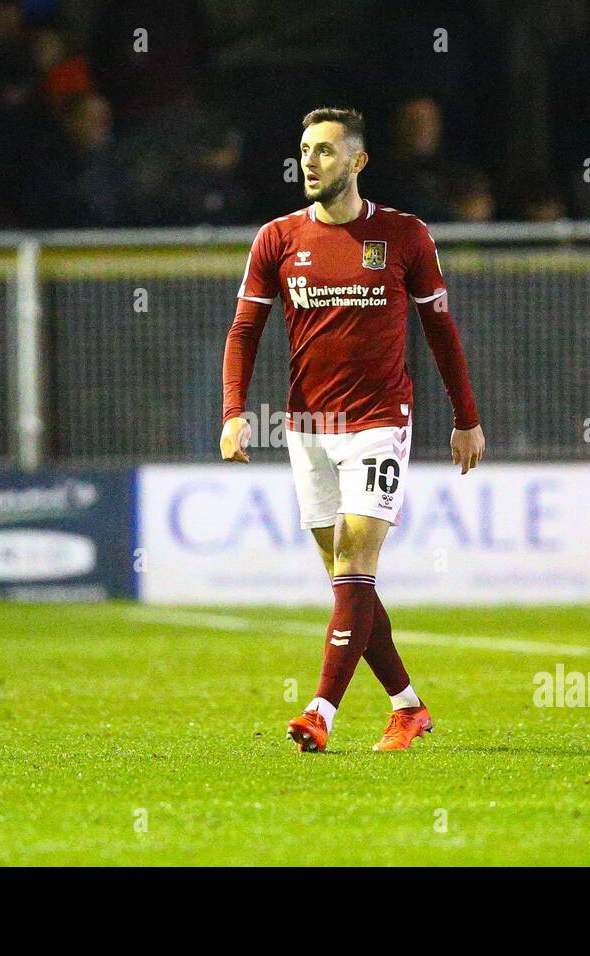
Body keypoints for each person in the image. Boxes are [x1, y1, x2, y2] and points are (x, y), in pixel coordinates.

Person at [219, 107, 484, 753]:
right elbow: (245, 330)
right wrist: (232, 412)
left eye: (325, 150)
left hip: (378, 421)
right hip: (308, 425)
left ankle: (320, 712)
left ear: (358, 161)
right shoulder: (277, 238)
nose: (310, 162)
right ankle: (408, 707)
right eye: (305, 149)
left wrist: (466, 418)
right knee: (348, 583)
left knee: (355, 563)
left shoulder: (404, 234)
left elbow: (440, 329)